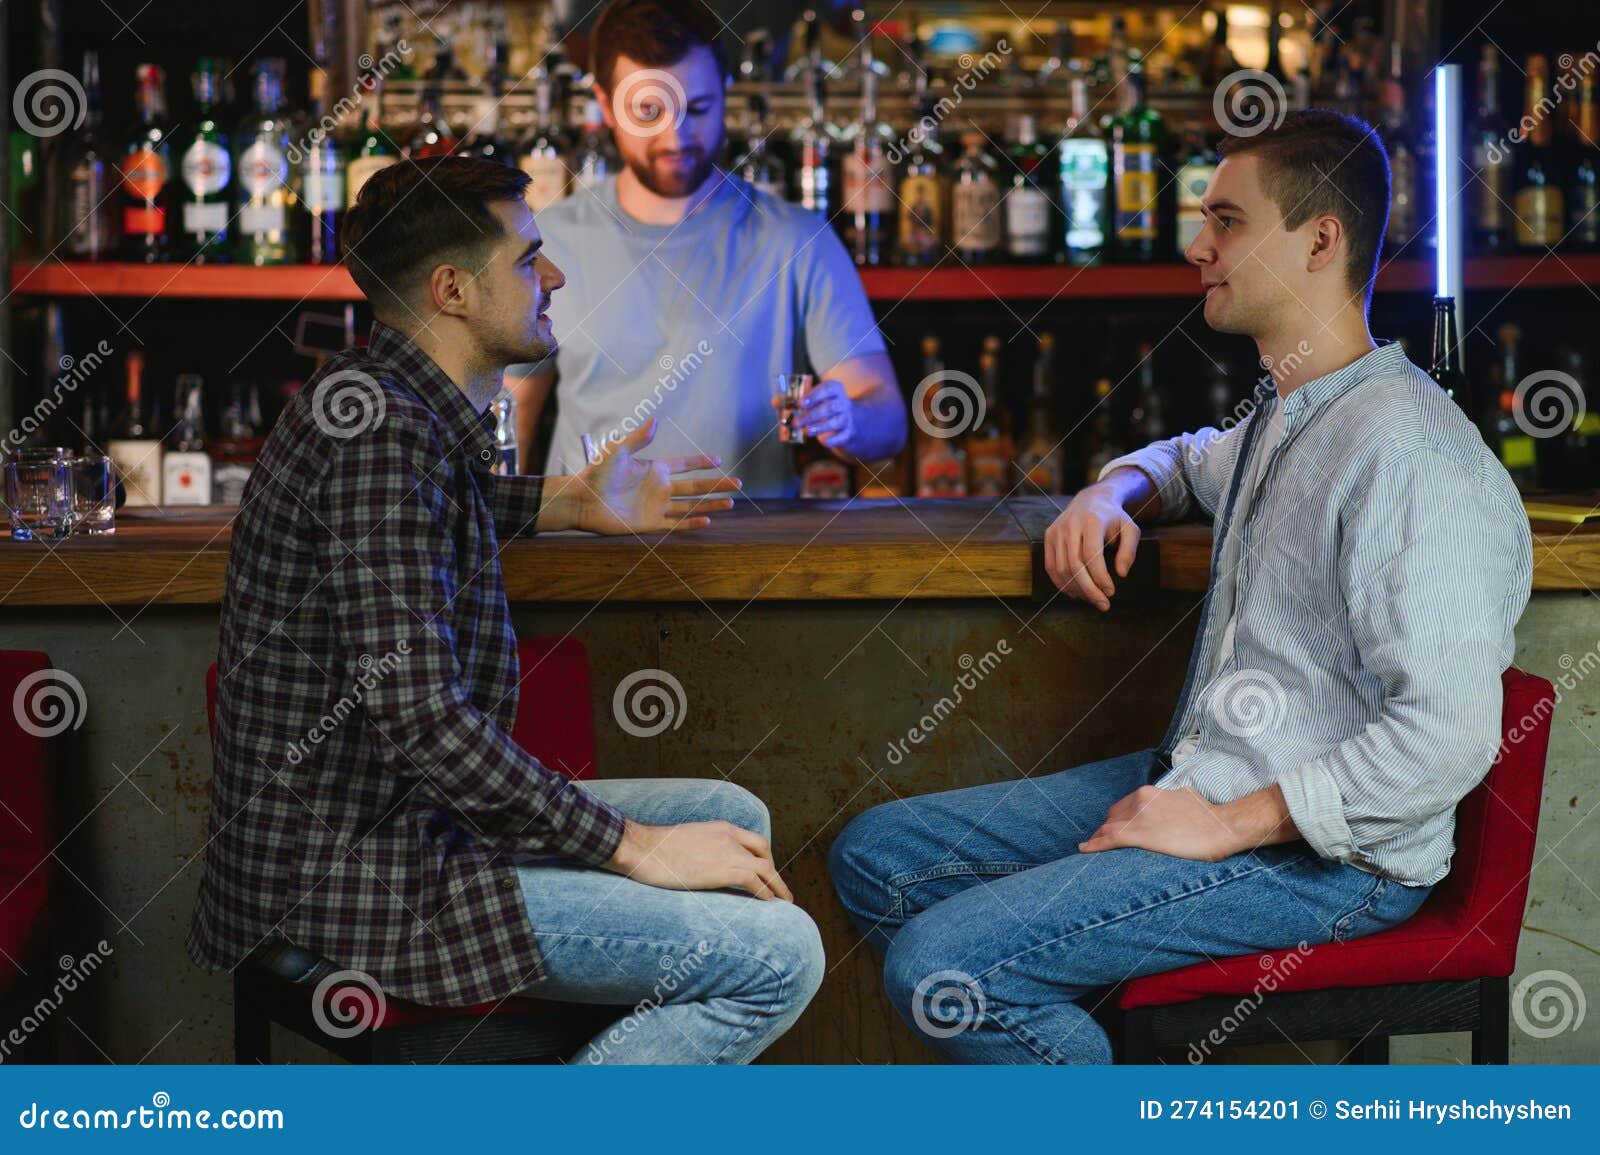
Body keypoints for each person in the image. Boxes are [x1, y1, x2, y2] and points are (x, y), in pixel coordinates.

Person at [828, 110, 1534, 1063]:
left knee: (944, 966)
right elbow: (1189, 461)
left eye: (1228, 222)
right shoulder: (1294, 410)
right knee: (878, 855)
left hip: (1327, 859)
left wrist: (1219, 825)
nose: (1198, 246)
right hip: (1206, 774)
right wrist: (1108, 489)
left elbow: (1446, 735)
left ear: (1321, 240)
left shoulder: (1409, 454)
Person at [187, 157, 823, 1064]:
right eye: (529, 259)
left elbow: (437, 501)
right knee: (779, 956)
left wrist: (567, 499)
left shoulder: (388, 407)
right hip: (359, 876)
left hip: (407, 827)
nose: (555, 277)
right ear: (452, 289)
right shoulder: (379, 434)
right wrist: (635, 848)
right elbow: (423, 719)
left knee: (732, 815)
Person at [505, 0, 906, 498]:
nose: (675, 136)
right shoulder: (550, 239)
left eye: (697, 108)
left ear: (726, 94)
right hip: (587, 559)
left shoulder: (796, 238)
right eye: (648, 111)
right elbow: (511, 417)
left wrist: (849, 422)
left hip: (752, 562)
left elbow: (887, 421)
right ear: (606, 105)